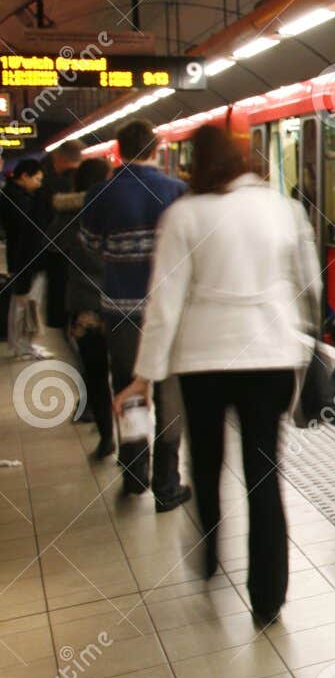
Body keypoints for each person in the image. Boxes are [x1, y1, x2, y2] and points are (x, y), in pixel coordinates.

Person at [113, 125, 320, 627]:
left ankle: (208, 553)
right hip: (271, 358)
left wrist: (144, 376)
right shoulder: (282, 209)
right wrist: (305, 338)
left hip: (203, 362)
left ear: (197, 165)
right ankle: (268, 596)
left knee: (205, 463)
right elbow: (310, 284)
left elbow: (165, 302)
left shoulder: (184, 214)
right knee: (264, 474)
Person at [82, 120, 191, 511]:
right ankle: (167, 483)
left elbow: (90, 244)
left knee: (129, 388)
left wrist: (120, 256)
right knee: (169, 393)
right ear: (156, 148)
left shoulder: (100, 192)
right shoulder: (176, 191)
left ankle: (133, 472)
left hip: (121, 309)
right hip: (167, 309)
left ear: (119, 151)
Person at [61, 158, 114, 458]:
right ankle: (133, 446)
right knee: (125, 374)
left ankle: (107, 436)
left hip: (85, 307)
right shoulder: (116, 210)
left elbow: (51, 245)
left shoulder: (70, 213)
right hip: (120, 302)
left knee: (95, 375)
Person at [2, 159, 50, 358]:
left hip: (22, 257)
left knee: (26, 303)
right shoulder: (16, 198)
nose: (39, 184)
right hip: (24, 258)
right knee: (23, 304)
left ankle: (25, 344)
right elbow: (27, 228)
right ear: (24, 176)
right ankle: (21, 345)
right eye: (37, 179)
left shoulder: (17, 195)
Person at [39, 140, 83, 329]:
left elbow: (38, 225)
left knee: (59, 304)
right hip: (86, 265)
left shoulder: (48, 186)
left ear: (57, 158)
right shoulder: (95, 187)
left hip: (57, 258)